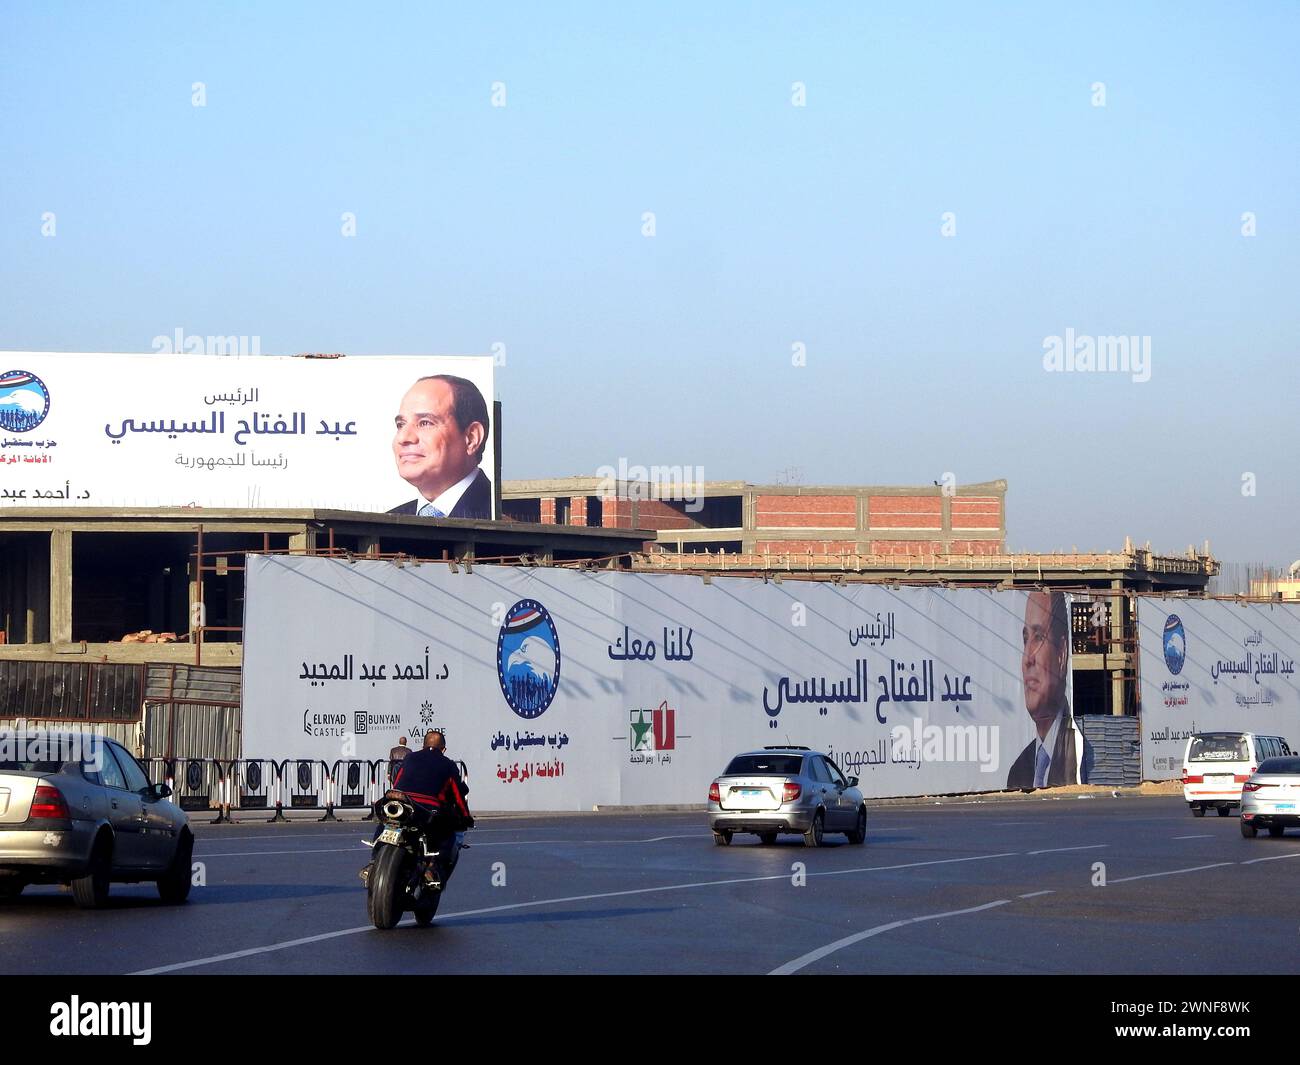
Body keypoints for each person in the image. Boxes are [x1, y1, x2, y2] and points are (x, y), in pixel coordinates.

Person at [365, 730, 472, 887]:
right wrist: (465, 816)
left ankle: (373, 863)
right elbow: (457, 795)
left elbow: (398, 782)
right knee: (447, 833)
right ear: (443, 749)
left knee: (387, 823)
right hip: (428, 808)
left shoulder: (409, 758)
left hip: (401, 801)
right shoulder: (449, 765)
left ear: (423, 746)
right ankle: (432, 867)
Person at [1006, 590, 1088, 789]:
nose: (1027, 658)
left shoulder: (1077, 749)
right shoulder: (1018, 771)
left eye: (1038, 637)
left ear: (1061, 654)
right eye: (1026, 640)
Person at [388, 374, 493, 519]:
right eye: (401, 425)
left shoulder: (507, 520)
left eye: (425, 423)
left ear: (471, 438)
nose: (403, 438)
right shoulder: (385, 526)